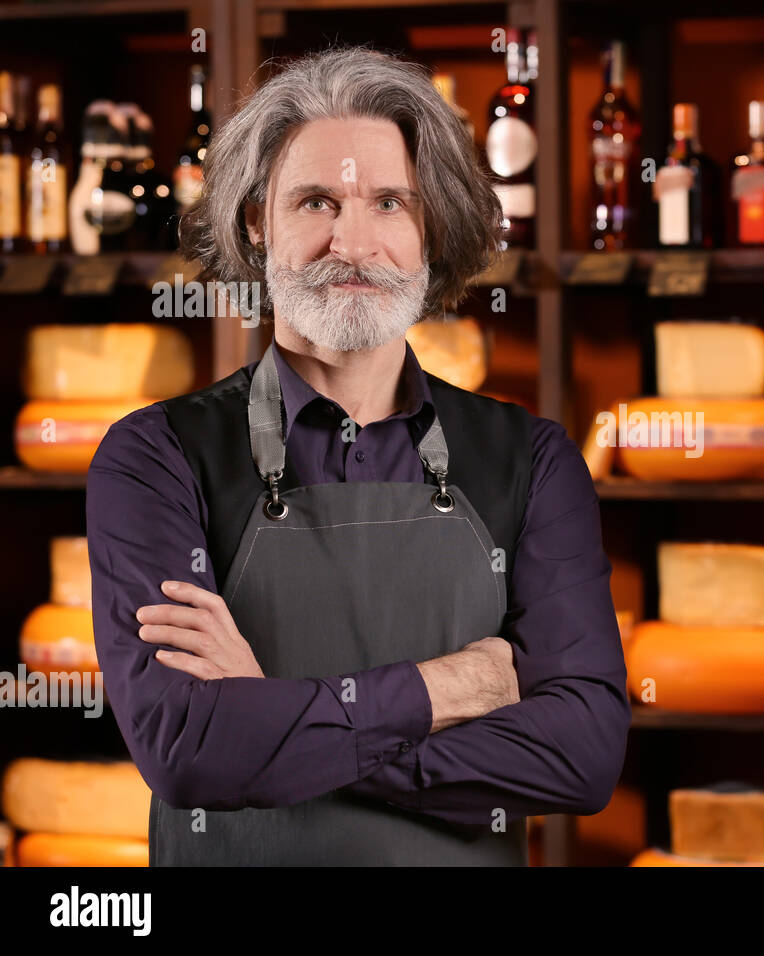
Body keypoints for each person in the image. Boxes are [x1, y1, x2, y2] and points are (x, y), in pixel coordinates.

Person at [86, 47, 630, 866]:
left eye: (388, 202)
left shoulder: (531, 459)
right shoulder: (154, 458)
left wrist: (272, 720)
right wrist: (450, 689)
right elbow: (188, 747)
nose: (354, 240)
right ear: (255, 222)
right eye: (315, 201)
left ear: (429, 227)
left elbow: (582, 757)